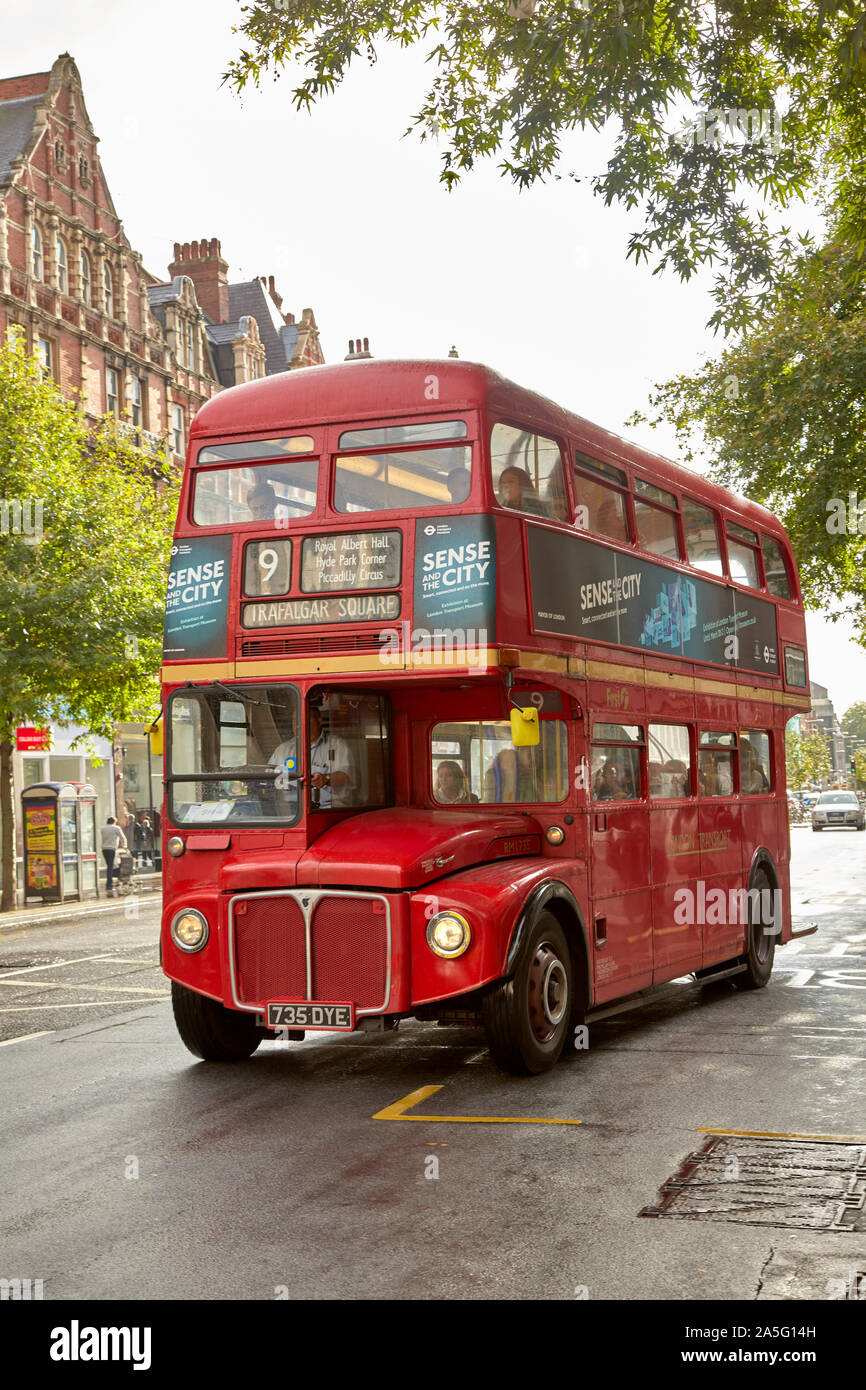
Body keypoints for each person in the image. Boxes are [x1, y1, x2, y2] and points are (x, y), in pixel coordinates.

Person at [101, 815, 127, 898]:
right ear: (114, 822)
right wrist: (124, 846)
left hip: (104, 849)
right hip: (112, 849)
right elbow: (123, 838)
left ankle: (109, 882)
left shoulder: (103, 828)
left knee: (109, 865)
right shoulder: (116, 828)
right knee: (110, 866)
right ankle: (109, 884)